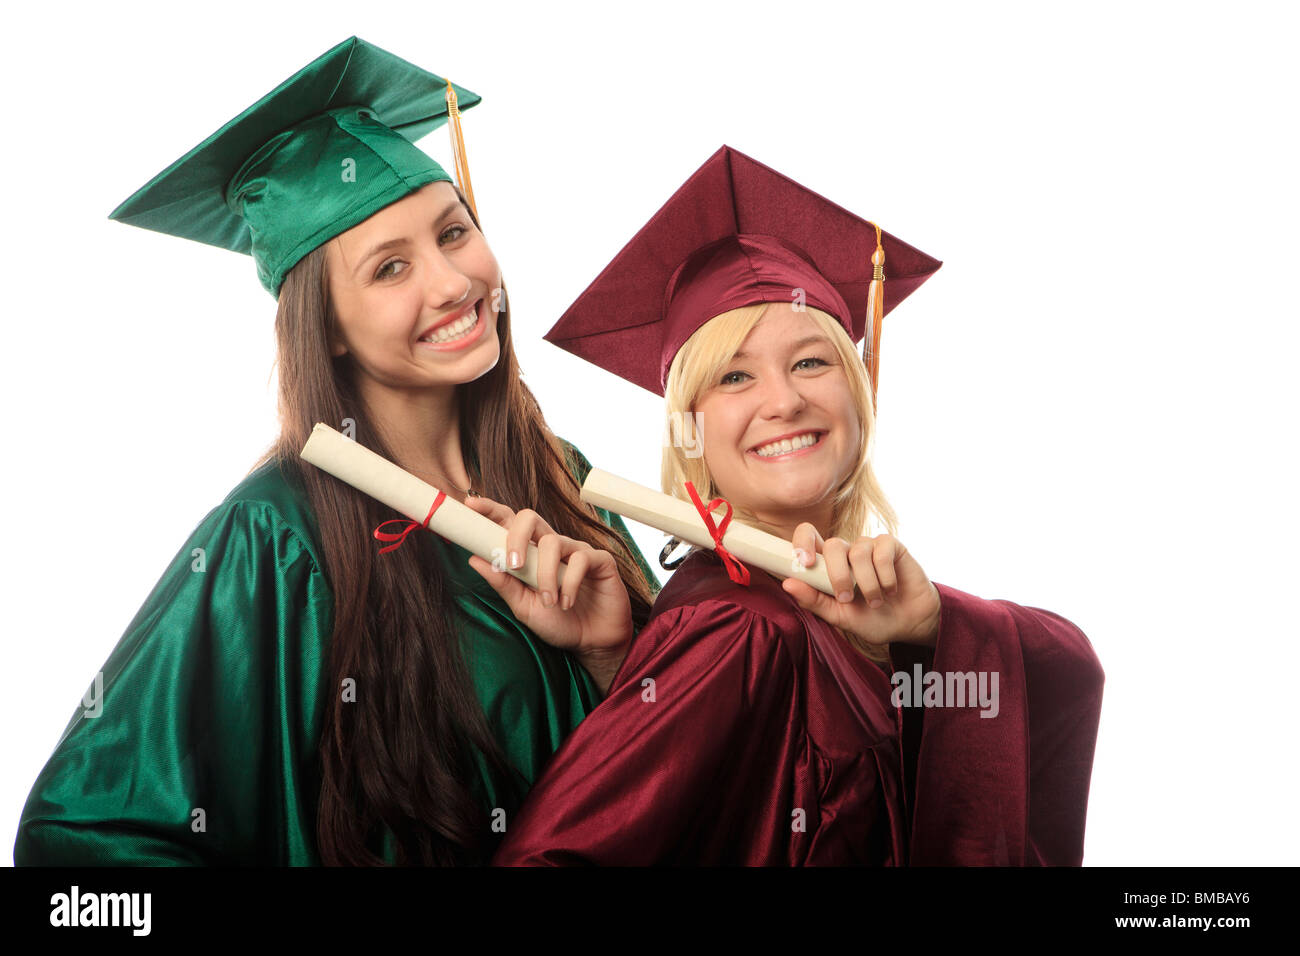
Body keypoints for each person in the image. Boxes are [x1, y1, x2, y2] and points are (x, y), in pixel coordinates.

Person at [14, 37, 658, 867]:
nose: (453, 282)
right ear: (330, 330)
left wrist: (610, 657)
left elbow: (676, 773)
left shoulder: (562, 478)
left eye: (454, 232)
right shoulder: (274, 535)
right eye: (391, 268)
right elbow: (81, 843)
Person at [492, 146, 1105, 865]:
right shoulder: (737, 626)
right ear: (689, 426)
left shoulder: (839, 615)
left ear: (861, 387)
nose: (783, 402)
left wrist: (930, 623)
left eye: (811, 362)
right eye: (734, 376)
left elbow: (1064, 675)